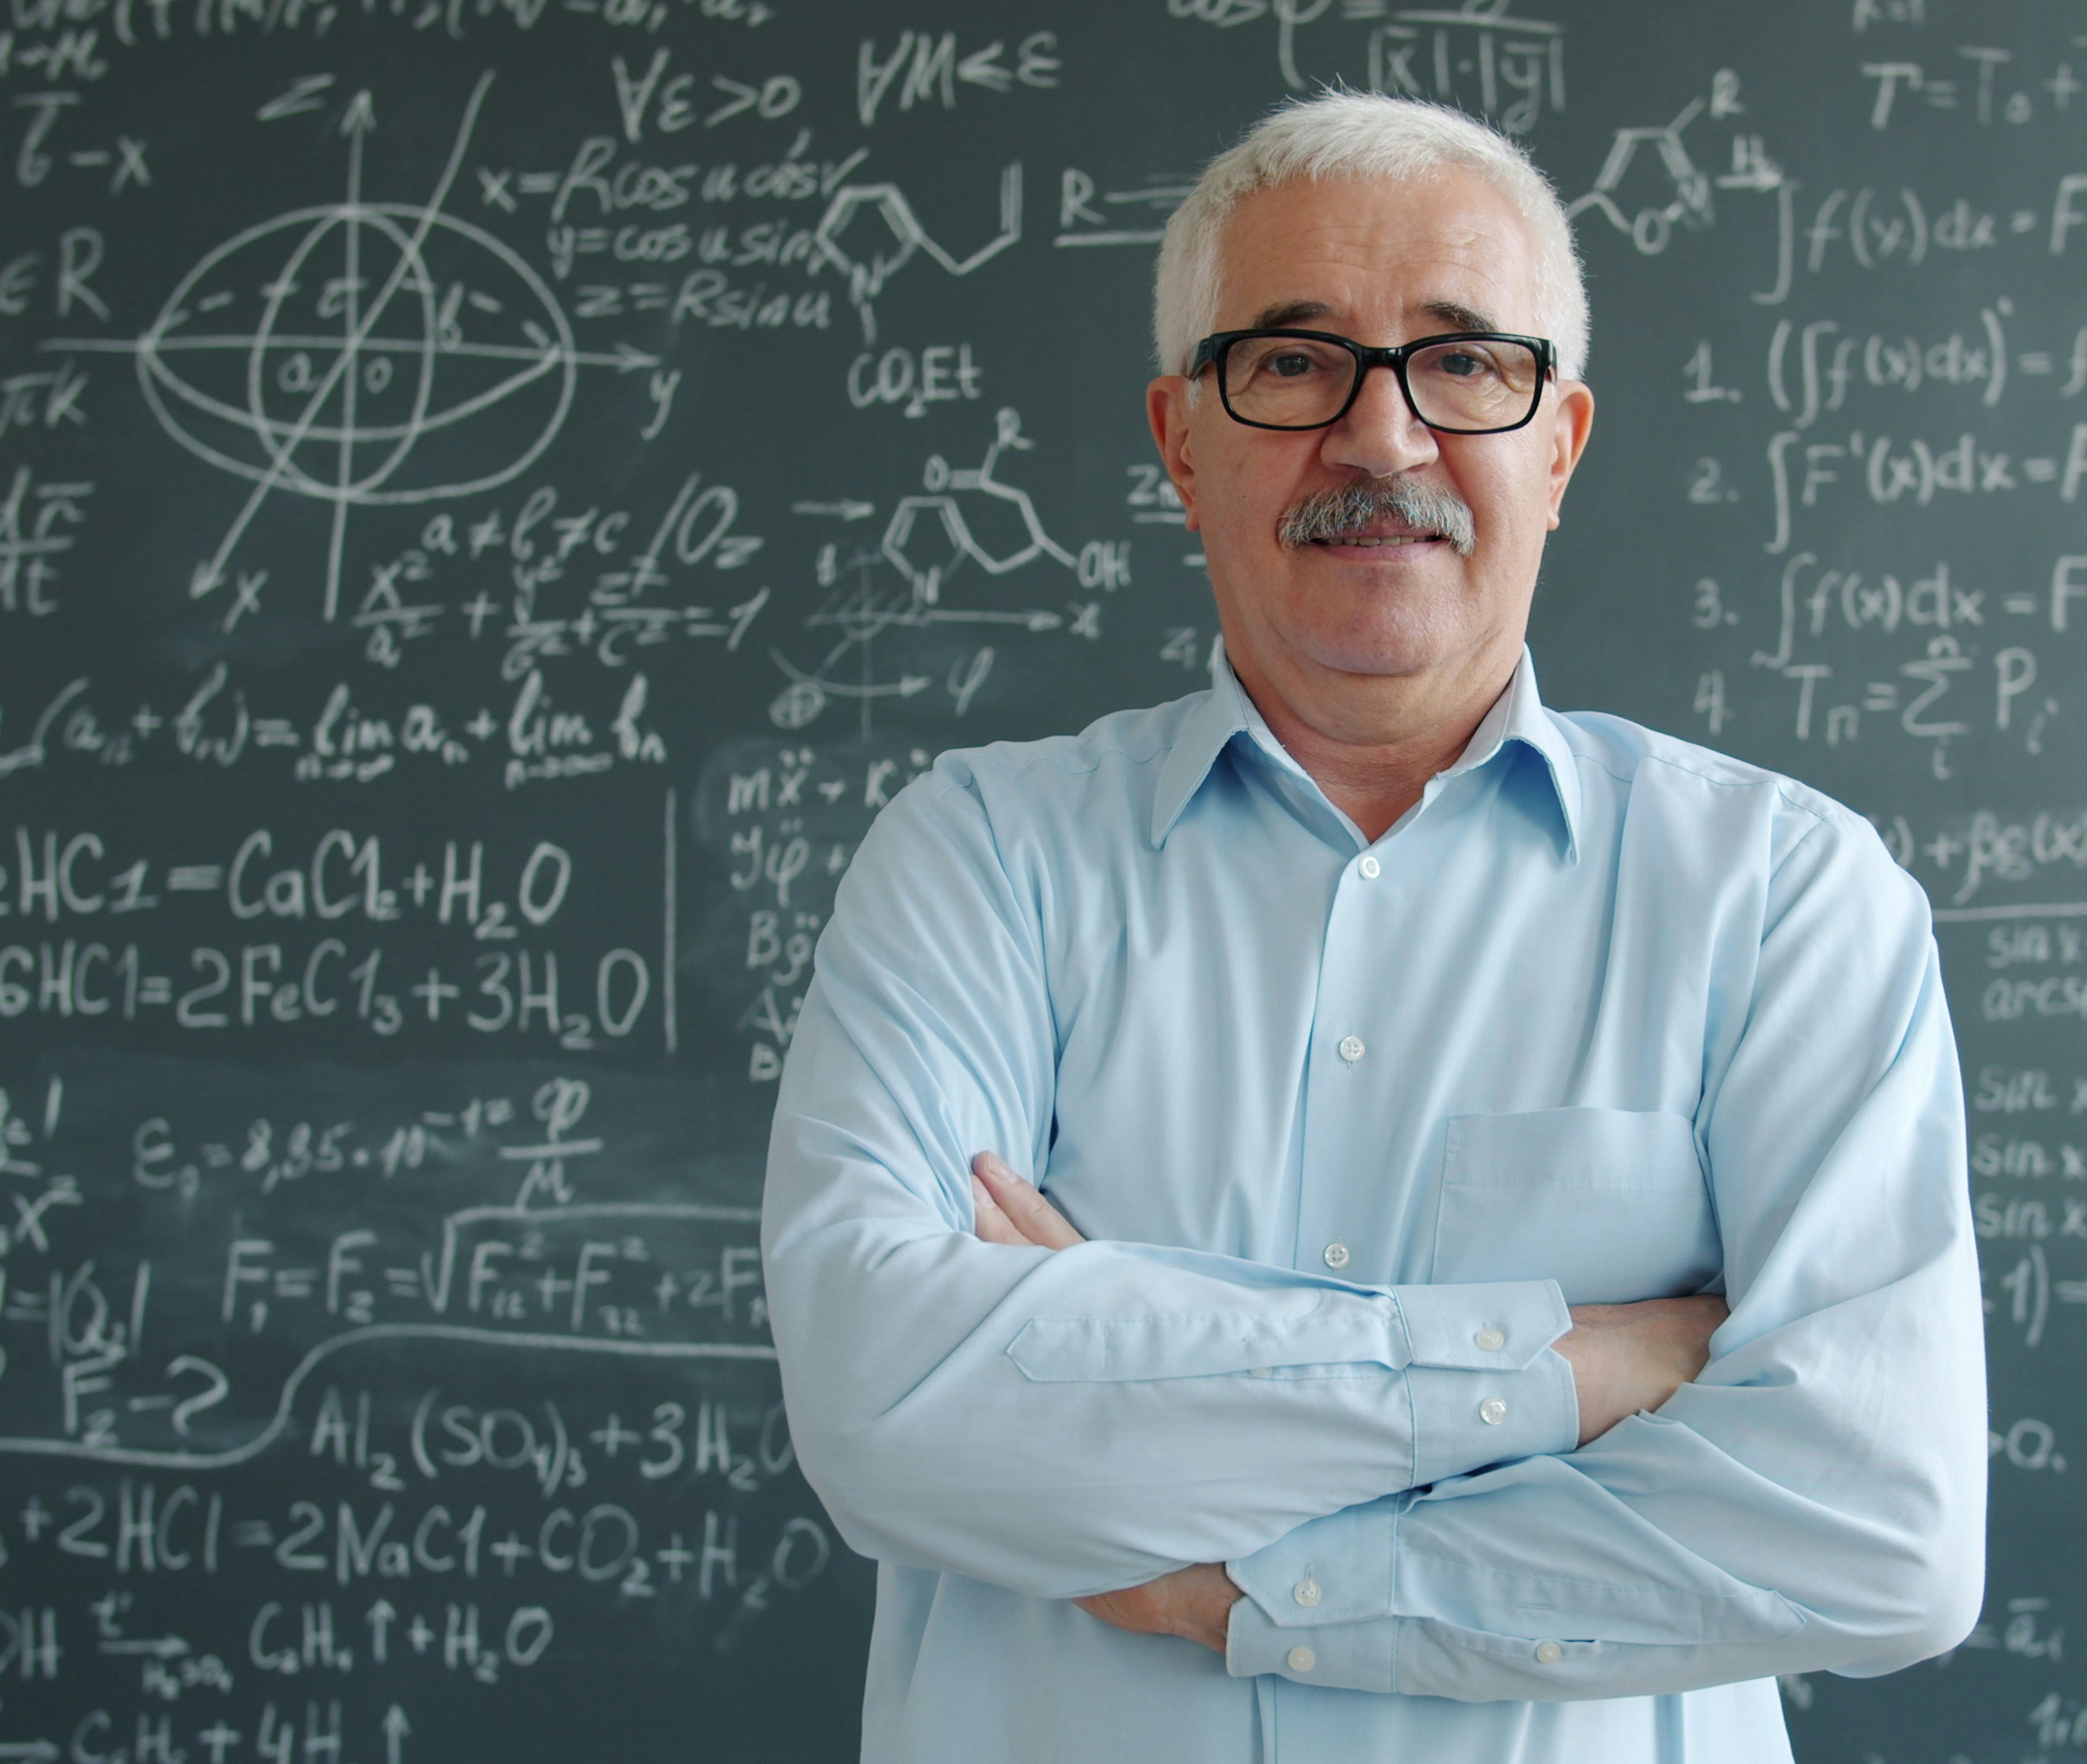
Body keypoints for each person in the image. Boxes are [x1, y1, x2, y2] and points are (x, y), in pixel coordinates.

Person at [761, 91, 1985, 1763]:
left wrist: (1247, 1580)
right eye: (1292, 360)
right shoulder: (981, 861)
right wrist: (1588, 1370)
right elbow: (892, 1416)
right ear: (1180, 439)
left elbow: (1882, 1534)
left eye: (1467, 362)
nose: (1384, 441)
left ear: (1559, 444)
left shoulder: (1784, 900)